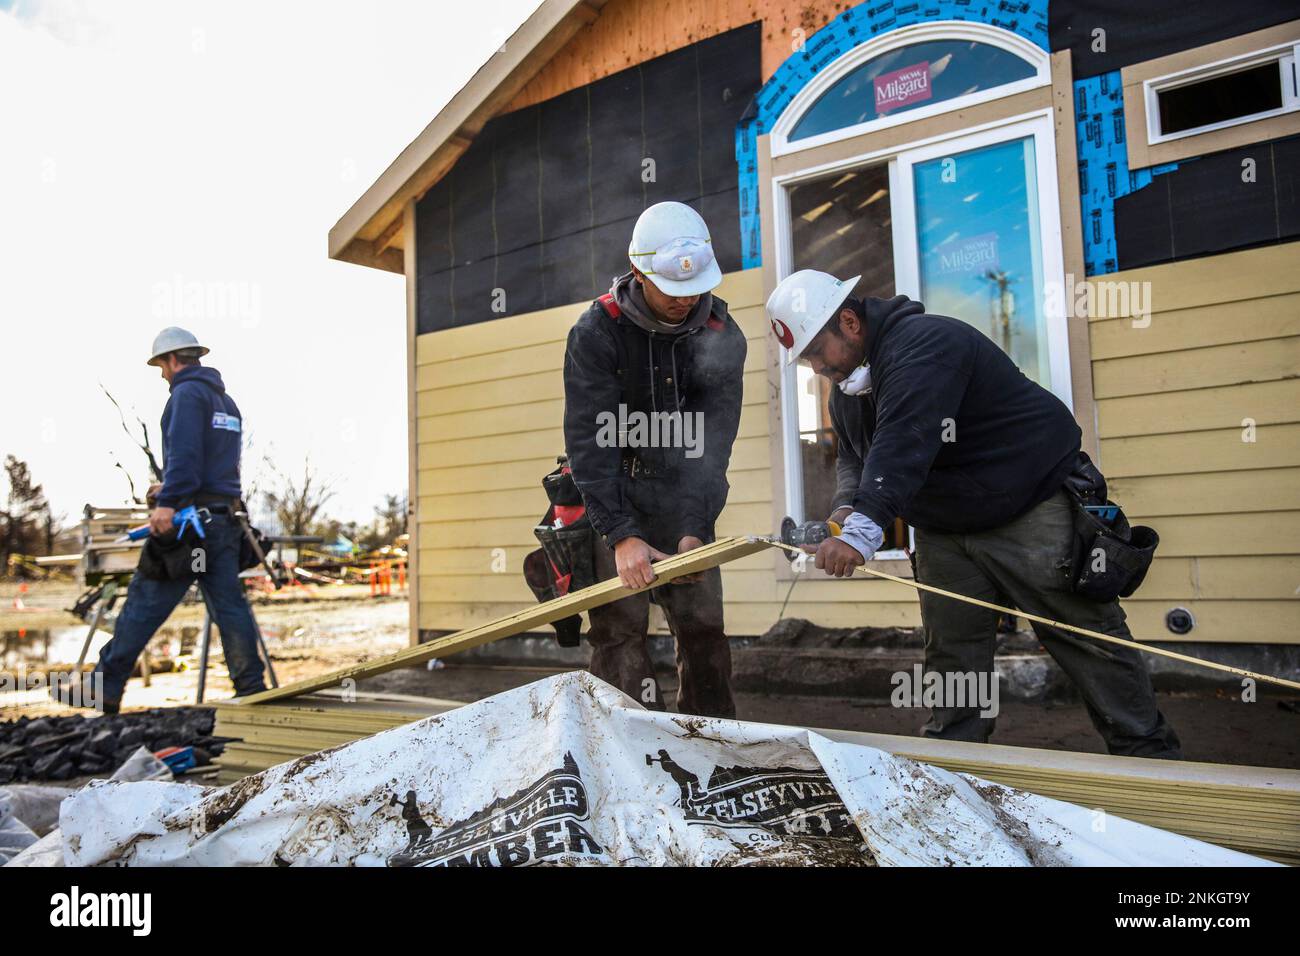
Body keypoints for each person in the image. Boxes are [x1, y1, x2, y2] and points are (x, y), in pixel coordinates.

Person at [766, 270, 1182, 758]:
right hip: (945, 526)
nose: (815, 366)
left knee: (1084, 636)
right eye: (807, 360)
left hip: (1028, 505)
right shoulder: (848, 392)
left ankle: (1147, 754)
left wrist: (861, 534)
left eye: (816, 351)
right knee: (953, 651)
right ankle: (956, 758)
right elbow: (857, 459)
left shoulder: (925, 345)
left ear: (851, 322)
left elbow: (905, 441)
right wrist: (843, 511)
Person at [562, 202, 747, 717]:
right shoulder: (596, 332)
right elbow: (588, 444)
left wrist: (695, 526)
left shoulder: (722, 336)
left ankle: (713, 746)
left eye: (694, 288)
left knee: (705, 630)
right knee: (620, 635)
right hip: (615, 494)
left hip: (685, 495)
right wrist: (621, 535)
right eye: (672, 289)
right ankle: (627, 755)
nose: (686, 301)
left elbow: (713, 444)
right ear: (640, 273)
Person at [57, 327, 268, 712]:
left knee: (145, 600)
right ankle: (252, 687)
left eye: (161, 366)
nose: (162, 375)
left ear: (172, 360)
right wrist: (169, 486)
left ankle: (104, 686)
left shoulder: (186, 395)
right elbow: (213, 463)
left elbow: (186, 455)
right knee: (230, 606)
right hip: (222, 520)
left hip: (190, 526)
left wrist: (168, 502)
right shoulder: (227, 402)